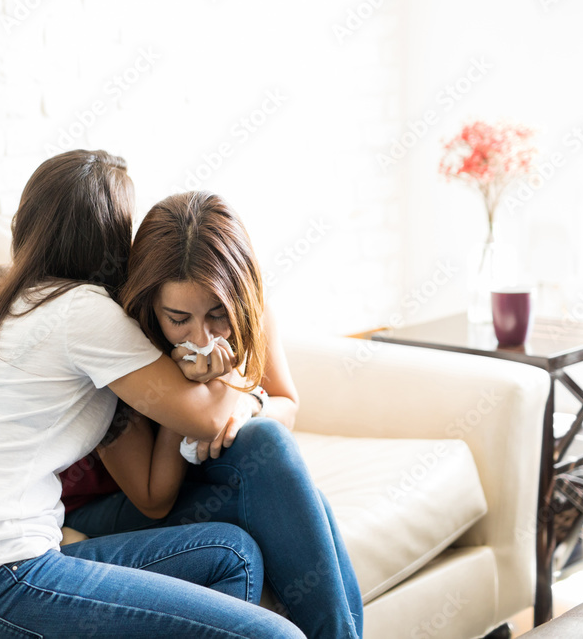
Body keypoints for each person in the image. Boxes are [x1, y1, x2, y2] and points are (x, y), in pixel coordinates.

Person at [0, 150, 303, 639]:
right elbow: (208, 420)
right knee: (277, 636)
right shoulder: (82, 312)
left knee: (232, 555)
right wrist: (226, 362)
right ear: (115, 242)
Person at [61, 191, 364, 639]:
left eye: (217, 314)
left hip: (189, 478)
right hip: (104, 506)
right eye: (178, 318)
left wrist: (244, 404)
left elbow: (285, 403)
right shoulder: (121, 344)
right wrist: (190, 398)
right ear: (151, 308)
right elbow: (154, 497)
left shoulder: (248, 311)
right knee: (300, 502)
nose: (201, 337)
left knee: (269, 445)